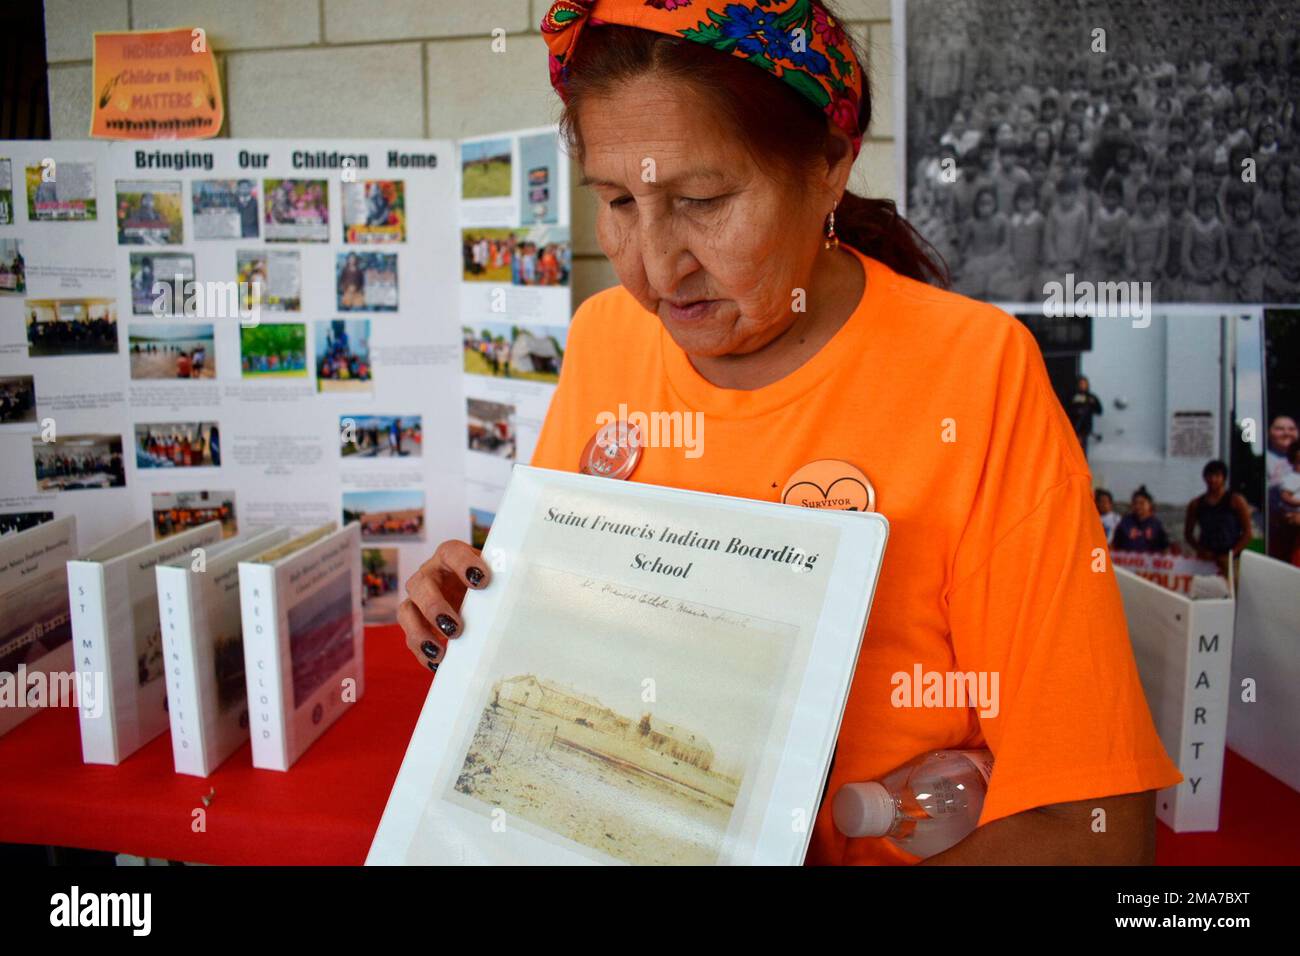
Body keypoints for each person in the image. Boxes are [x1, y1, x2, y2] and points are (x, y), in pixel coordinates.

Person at [399, 0, 1179, 866]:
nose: (656, 270)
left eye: (703, 200)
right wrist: (493, 621)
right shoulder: (605, 337)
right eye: (617, 201)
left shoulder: (976, 373)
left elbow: (1094, 830)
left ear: (829, 167)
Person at [1184, 460, 1252, 578]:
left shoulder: (1236, 500)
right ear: (1204, 478)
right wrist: (1201, 551)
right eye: (1210, 475)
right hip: (1206, 557)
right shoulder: (1196, 504)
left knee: (1232, 592)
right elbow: (1188, 533)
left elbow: (1247, 533)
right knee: (1204, 592)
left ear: (1224, 478)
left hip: (1230, 558)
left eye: (1217, 475)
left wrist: (1232, 553)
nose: (1213, 479)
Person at [1113, 486, 1170, 553]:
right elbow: (1115, 545)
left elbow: (1165, 548)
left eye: (1141, 503)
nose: (1138, 506)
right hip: (1126, 561)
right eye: (1135, 503)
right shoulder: (1125, 522)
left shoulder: (1157, 524)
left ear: (1150, 505)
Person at [1066, 376, 1103, 457]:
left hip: (1085, 426)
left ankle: (1082, 466)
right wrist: (1076, 411)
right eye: (1081, 383)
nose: (1083, 385)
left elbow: (1099, 411)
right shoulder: (1072, 396)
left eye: (1085, 384)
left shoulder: (1091, 397)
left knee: (1082, 447)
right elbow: (1066, 409)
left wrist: (1093, 403)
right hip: (1072, 425)